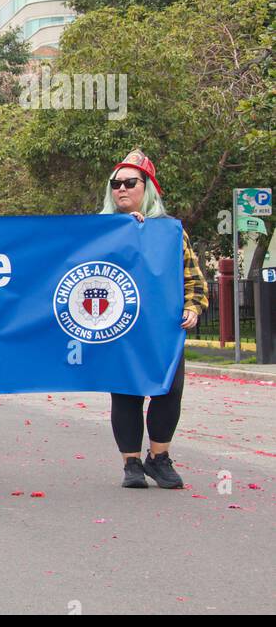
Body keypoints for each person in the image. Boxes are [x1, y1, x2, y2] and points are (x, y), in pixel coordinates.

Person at [100, 150, 206, 490]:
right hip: (120, 328)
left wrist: (193, 306)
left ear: (148, 190)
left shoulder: (171, 232)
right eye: (115, 184)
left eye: (130, 183)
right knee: (125, 393)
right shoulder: (99, 231)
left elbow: (194, 280)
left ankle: (159, 458)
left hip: (162, 331)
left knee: (169, 390)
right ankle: (131, 463)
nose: (122, 189)